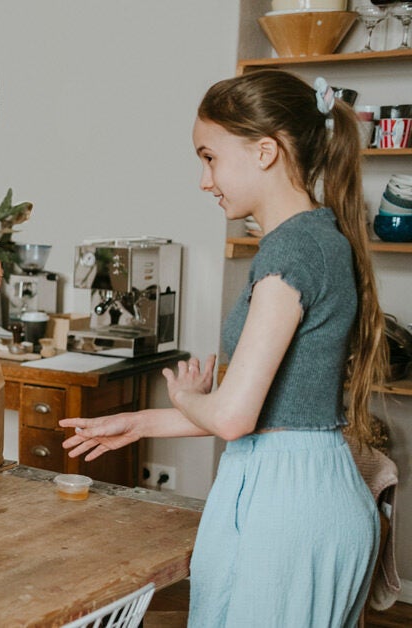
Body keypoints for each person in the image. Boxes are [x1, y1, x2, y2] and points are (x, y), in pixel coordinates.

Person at [60, 69, 387, 626]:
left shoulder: (291, 253)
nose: (204, 180)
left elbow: (235, 418)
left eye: (209, 157)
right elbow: (280, 416)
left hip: (286, 508)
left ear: (265, 151)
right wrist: (139, 422)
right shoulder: (316, 238)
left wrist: (187, 399)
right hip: (308, 490)